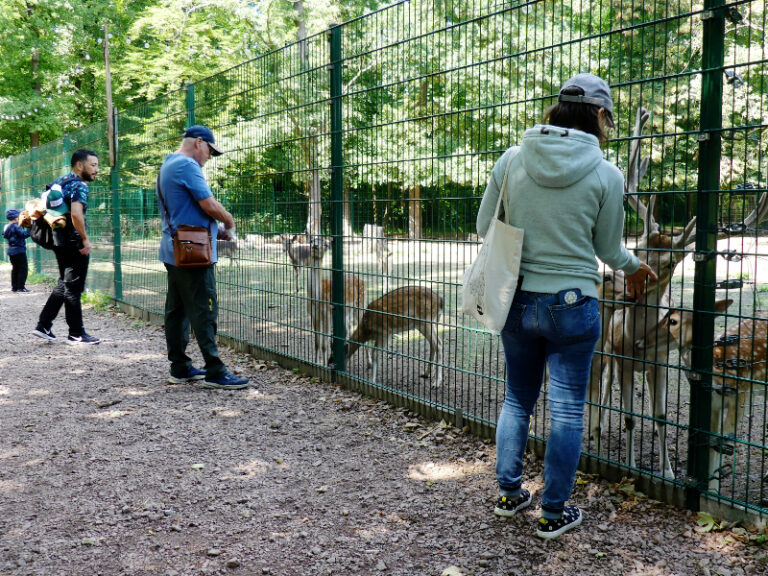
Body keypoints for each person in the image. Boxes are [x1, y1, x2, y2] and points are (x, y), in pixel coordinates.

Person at [477, 73, 657, 539]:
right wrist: (635, 266)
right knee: (568, 409)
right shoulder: (606, 172)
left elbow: (483, 226)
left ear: (556, 109)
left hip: (515, 299)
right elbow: (609, 249)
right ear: (600, 115)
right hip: (574, 304)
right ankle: (554, 512)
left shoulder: (513, 158)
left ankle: (509, 493)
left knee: (517, 399)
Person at [157, 125, 249, 390]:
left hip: (174, 248)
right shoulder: (187, 165)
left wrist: (215, 230)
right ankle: (215, 370)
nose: (209, 157)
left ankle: (180, 366)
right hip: (192, 253)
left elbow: (184, 210)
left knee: (177, 310)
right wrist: (229, 222)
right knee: (204, 307)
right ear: (199, 143)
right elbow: (208, 204)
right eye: (210, 150)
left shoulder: (168, 163)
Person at [32, 149, 101, 344]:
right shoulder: (80, 185)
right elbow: (77, 214)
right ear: (80, 165)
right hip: (74, 243)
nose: (97, 169)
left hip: (58, 240)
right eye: (93, 165)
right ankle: (76, 334)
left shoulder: (60, 181)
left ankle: (43, 325)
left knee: (64, 282)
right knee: (74, 288)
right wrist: (85, 240)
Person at [3, 208, 31, 292]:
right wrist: (30, 227)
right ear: (16, 218)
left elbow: (5, 235)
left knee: (15, 268)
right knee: (23, 268)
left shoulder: (7, 227)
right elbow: (24, 234)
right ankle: (21, 287)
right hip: (19, 250)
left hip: (11, 251)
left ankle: (14, 287)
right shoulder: (15, 226)